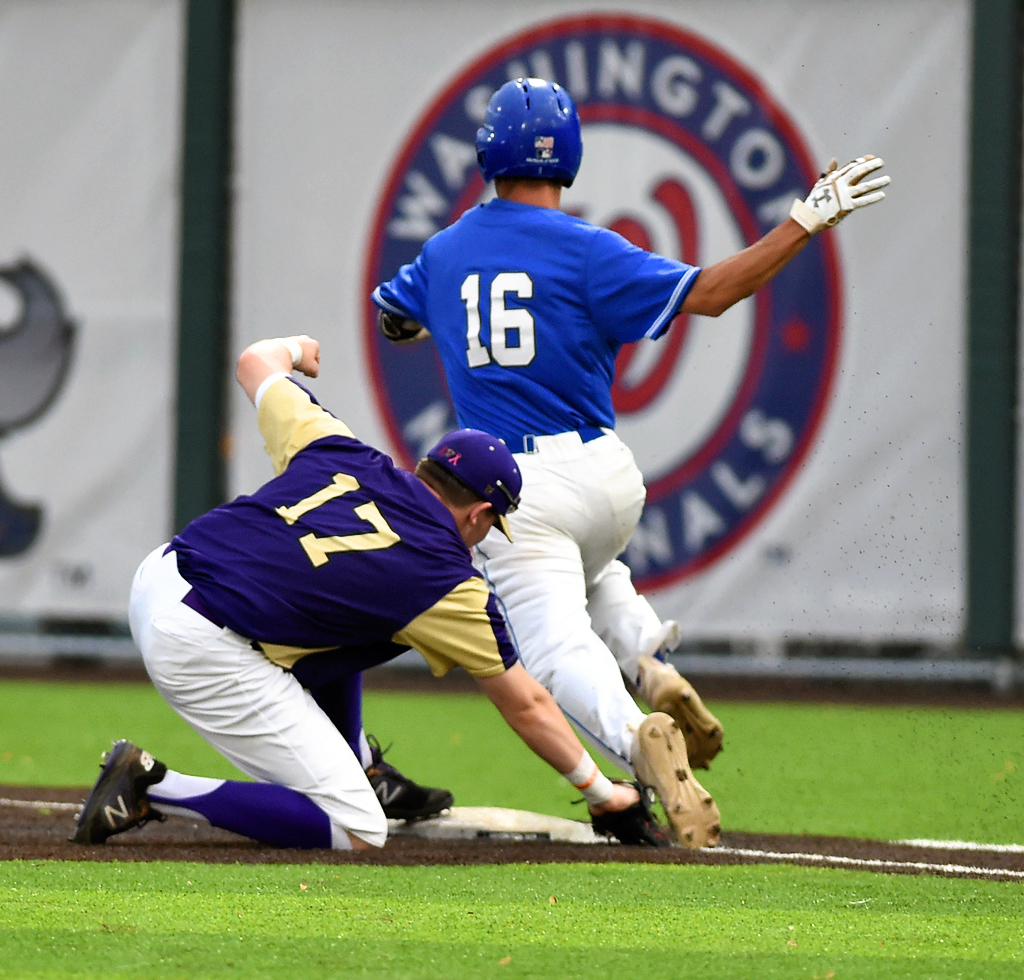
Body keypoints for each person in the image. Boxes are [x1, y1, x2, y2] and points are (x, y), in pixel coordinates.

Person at [372, 77, 890, 846]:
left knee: (549, 645)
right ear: (569, 158)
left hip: (516, 491)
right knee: (593, 567)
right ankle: (648, 658)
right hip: (608, 481)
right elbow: (712, 293)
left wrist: (431, 322)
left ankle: (633, 731)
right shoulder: (589, 251)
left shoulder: (445, 252)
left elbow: (391, 315)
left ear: (488, 154)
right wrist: (804, 222)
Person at [71, 335, 654, 852]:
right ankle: (152, 786)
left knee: (356, 611)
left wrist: (298, 350)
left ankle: (361, 764)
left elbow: (254, 362)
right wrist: (602, 792)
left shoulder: (338, 447)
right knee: (356, 829)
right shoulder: (446, 578)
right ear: (480, 514)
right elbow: (525, 702)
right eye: (490, 524)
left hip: (165, 572)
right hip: (202, 641)